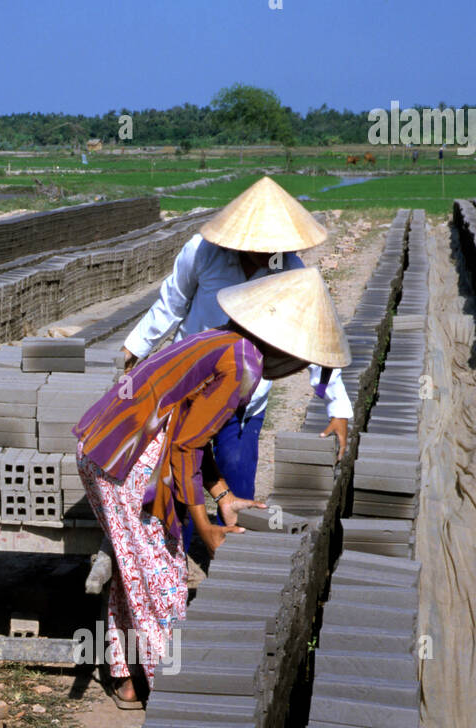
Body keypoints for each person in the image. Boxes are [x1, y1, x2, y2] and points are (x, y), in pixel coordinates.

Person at [74, 267, 350, 708]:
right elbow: (186, 444)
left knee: (134, 565)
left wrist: (223, 496)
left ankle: (129, 679)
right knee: (163, 573)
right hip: (126, 458)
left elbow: (189, 432)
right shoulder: (244, 363)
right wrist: (205, 528)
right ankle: (173, 691)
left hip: (105, 448)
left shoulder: (220, 339)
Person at [119, 176, 352, 548]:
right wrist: (136, 347)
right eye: (258, 246)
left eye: (275, 246)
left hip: (245, 400)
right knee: (181, 477)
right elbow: (172, 303)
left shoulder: (292, 273)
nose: (266, 254)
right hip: (190, 391)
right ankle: (180, 552)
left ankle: (229, 559)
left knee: (237, 486)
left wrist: (336, 406)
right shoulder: (202, 252)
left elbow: (314, 344)